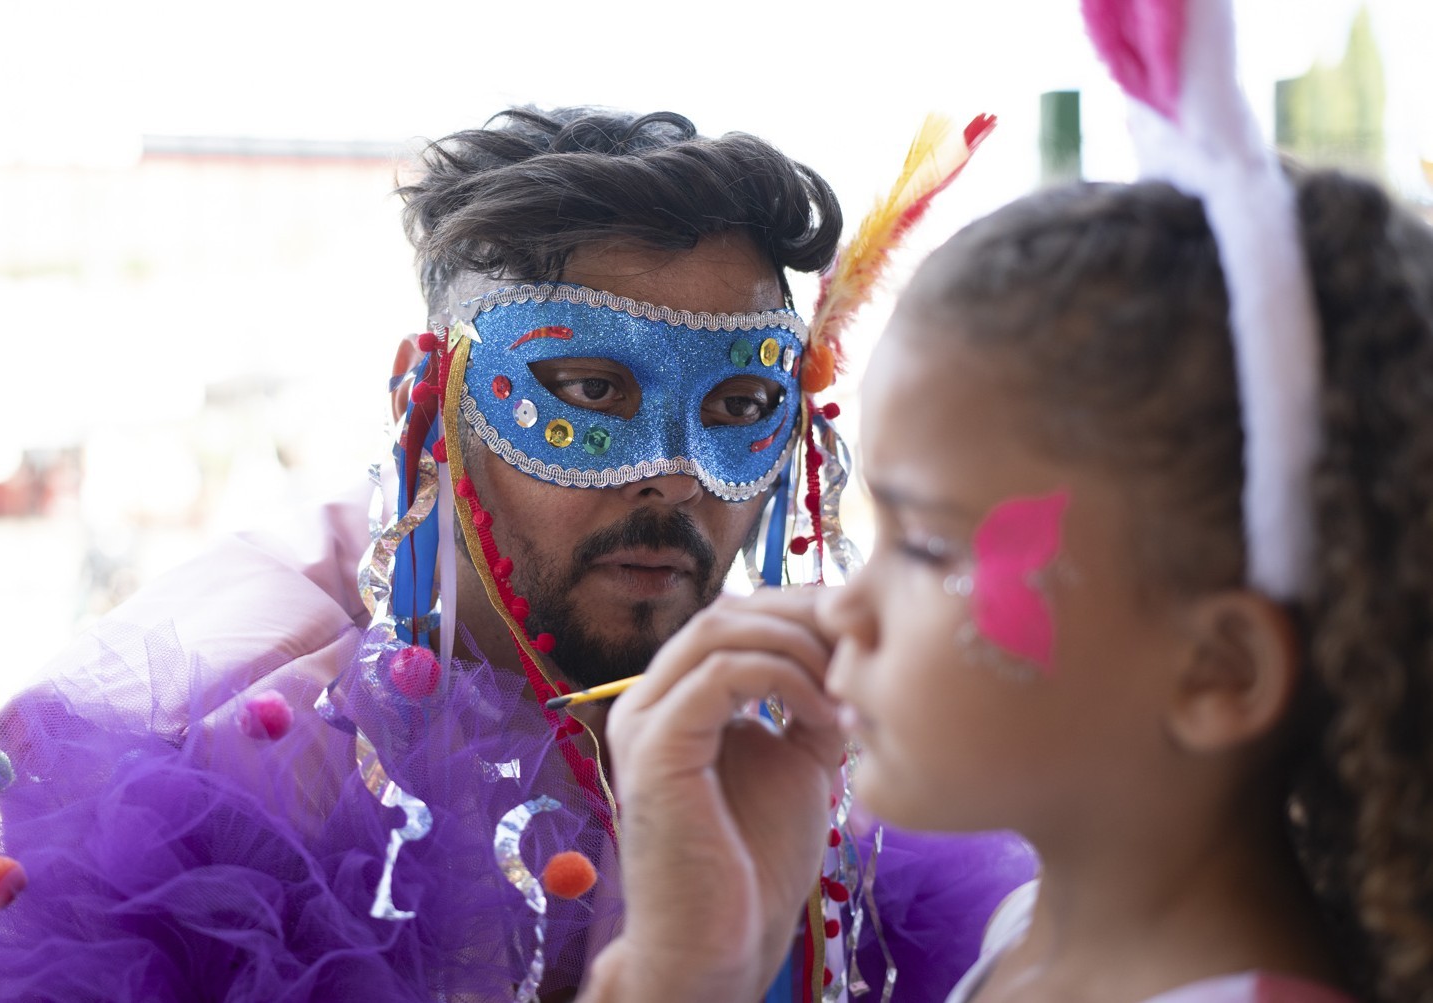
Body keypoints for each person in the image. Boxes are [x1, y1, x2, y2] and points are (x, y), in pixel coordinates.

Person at [0, 107, 1033, 1001]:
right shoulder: (243, 774)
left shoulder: (822, 755)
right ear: (438, 403)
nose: (673, 476)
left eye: (740, 402)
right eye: (590, 391)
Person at [578, 4, 1433, 1002]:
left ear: (1218, 669)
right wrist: (698, 964)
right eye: (879, 534)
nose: (844, 604)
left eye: (931, 546)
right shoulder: (1026, 942)